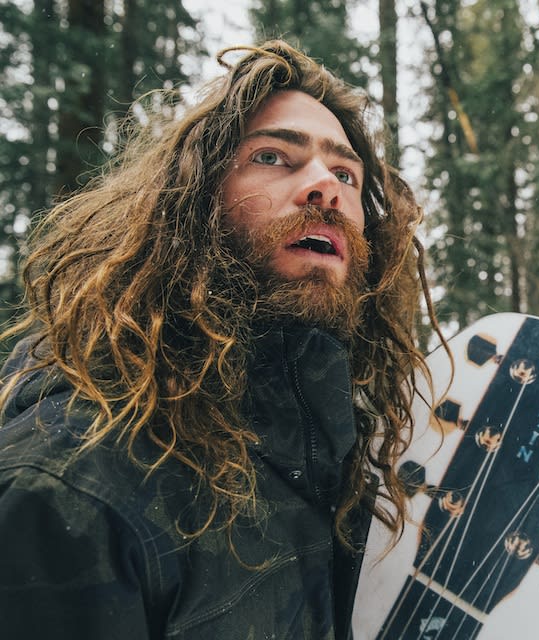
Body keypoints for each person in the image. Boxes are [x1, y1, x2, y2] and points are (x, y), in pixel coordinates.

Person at [0, 40, 436, 639]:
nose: (325, 188)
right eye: (275, 157)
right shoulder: (71, 483)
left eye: (346, 174)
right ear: (194, 197)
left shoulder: (348, 475)